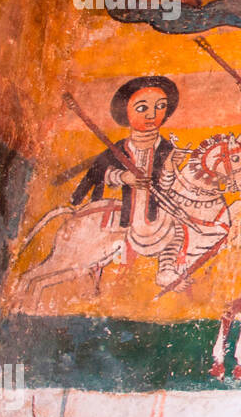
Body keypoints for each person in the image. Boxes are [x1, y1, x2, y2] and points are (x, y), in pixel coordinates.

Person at [71, 76, 181, 283]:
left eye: (160, 107)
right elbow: (97, 172)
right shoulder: (119, 149)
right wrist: (123, 177)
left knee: (177, 233)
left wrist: (168, 169)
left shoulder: (166, 149)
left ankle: (166, 269)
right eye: (142, 108)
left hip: (155, 213)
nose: (152, 115)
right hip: (125, 212)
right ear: (126, 112)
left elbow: (168, 187)